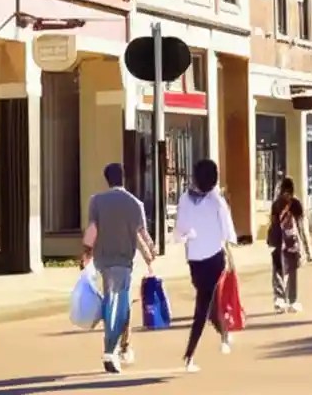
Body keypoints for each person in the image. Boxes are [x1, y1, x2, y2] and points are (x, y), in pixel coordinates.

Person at [82, 162, 156, 373]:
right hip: (124, 262)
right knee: (123, 305)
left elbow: (92, 230)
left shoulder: (96, 201)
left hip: (103, 262)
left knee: (109, 302)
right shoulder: (134, 203)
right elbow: (141, 234)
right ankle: (116, 348)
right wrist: (151, 253)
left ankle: (115, 346)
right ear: (124, 178)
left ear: (107, 179)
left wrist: (86, 254)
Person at [174, 159, 237, 374]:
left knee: (205, 302)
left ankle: (198, 349)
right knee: (206, 306)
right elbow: (228, 231)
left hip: (195, 261)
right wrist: (230, 255)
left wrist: (188, 235)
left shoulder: (185, 199)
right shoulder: (216, 201)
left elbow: (179, 230)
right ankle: (217, 338)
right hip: (214, 258)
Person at [267, 177, 312, 313]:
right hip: (292, 242)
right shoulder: (296, 203)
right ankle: (292, 301)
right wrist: (308, 248)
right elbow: (303, 227)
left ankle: (280, 300)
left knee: (278, 270)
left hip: (278, 242)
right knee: (292, 271)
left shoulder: (276, 204)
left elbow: (273, 223)